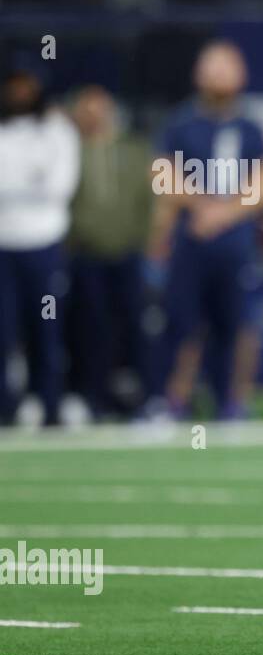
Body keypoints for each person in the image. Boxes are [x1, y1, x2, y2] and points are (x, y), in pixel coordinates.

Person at [149, 41, 263, 420]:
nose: (220, 74)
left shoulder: (252, 127)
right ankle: (171, 400)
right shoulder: (181, 124)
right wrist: (201, 206)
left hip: (237, 243)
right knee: (182, 323)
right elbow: (161, 175)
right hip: (191, 241)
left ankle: (233, 402)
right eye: (213, 66)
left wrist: (223, 214)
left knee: (239, 325)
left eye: (227, 66)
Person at [65, 86, 154, 419]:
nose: (94, 116)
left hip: (129, 253)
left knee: (135, 324)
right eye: (86, 110)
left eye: (99, 109)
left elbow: (150, 199)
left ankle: (145, 397)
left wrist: (148, 241)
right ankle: (94, 398)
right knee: (91, 327)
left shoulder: (135, 150)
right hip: (85, 254)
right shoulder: (69, 150)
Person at [0, 65, 80, 426]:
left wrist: (19, 185)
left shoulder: (58, 131)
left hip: (45, 245)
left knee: (46, 330)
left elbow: (59, 188)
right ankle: (7, 410)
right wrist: (30, 180)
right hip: (4, 247)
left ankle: (50, 408)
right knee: (5, 330)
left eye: (26, 85)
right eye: (13, 86)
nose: (20, 93)